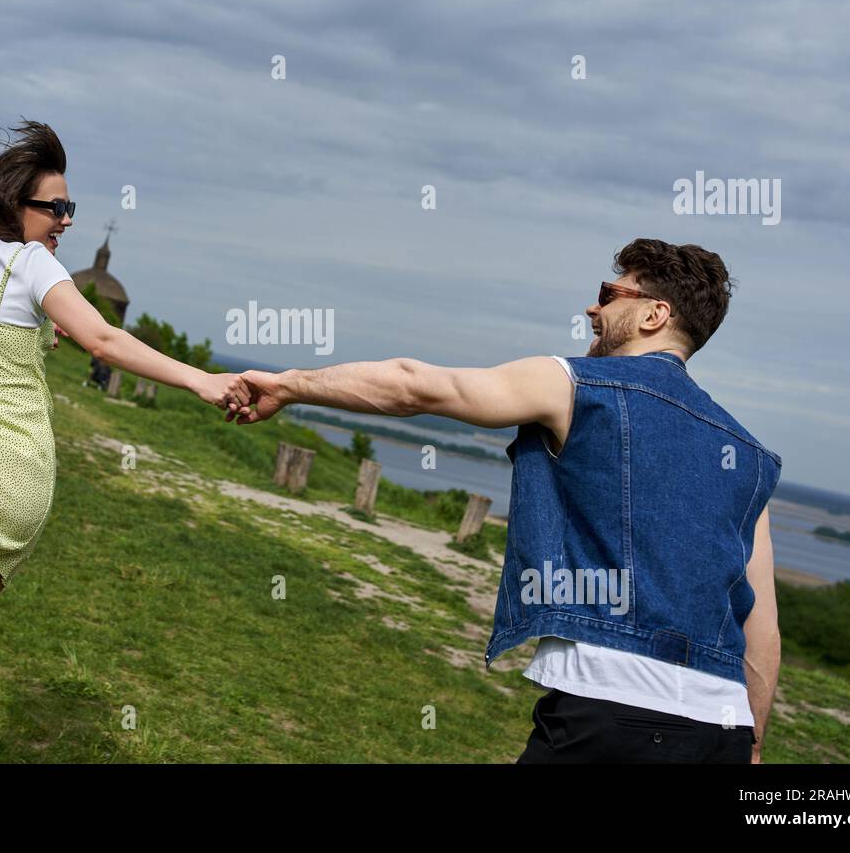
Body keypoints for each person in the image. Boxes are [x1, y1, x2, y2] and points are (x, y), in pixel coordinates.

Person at [229, 239, 780, 763]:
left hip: (610, 708)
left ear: (653, 315)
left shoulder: (575, 384)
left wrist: (291, 384)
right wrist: (752, 742)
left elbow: (416, 386)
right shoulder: (750, 457)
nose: (593, 308)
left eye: (611, 294)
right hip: (720, 730)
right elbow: (761, 627)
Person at [0, 120, 248, 763]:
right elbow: (103, 340)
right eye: (54, 207)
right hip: (14, 481)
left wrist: (39, 328)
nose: (65, 220)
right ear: (13, 205)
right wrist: (201, 379)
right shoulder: (33, 267)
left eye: (68, 208)